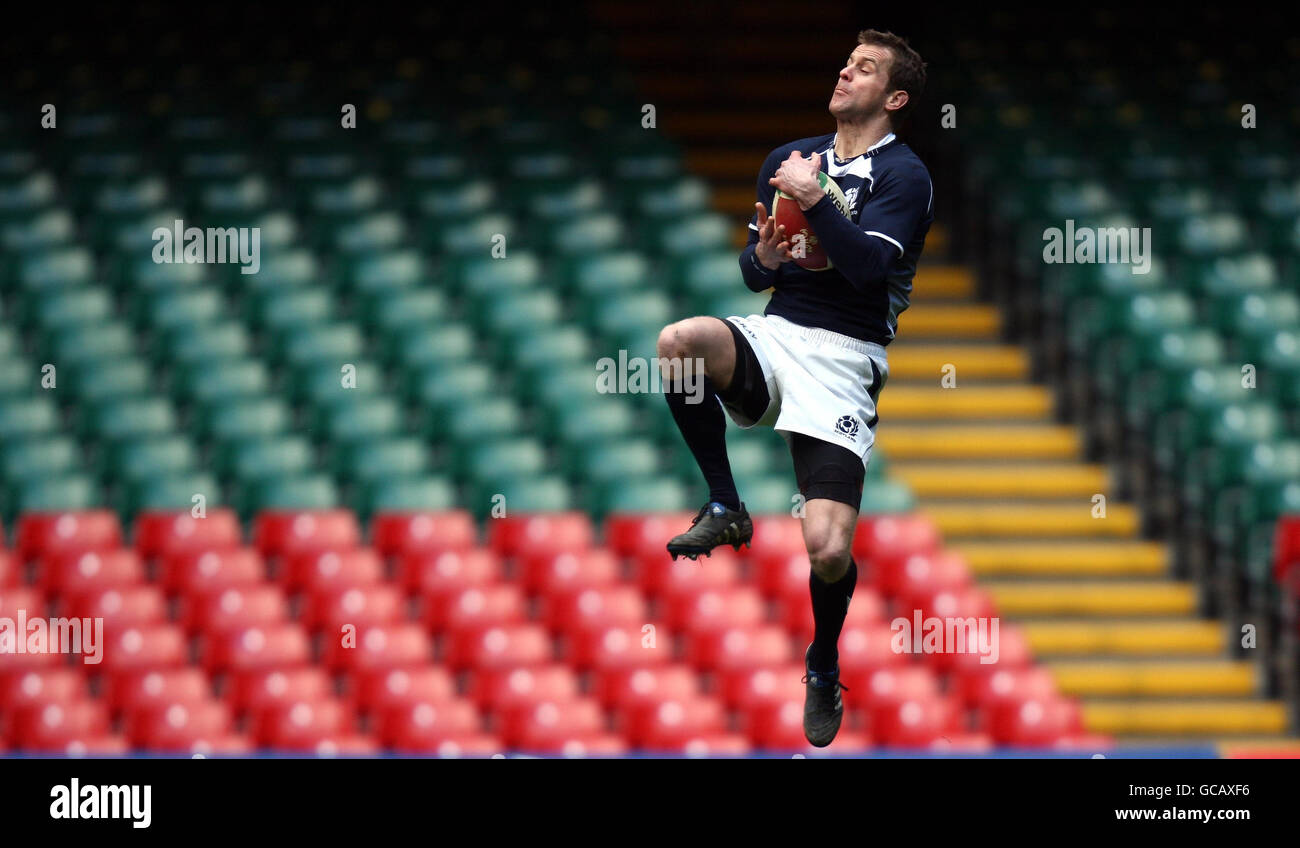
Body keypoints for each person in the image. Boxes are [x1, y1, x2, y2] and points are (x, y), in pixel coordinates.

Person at [656, 29, 933, 747]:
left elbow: (871, 273)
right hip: (779, 335)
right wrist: (764, 256)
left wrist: (817, 204)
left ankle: (822, 659)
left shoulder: (905, 175)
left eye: (865, 68)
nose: (846, 72)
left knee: (829, 550)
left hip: (846, 358)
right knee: (679, 343)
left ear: (894, 97)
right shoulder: (787, 159)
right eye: (847, 62)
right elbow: (755, 273)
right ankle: (725, 503)